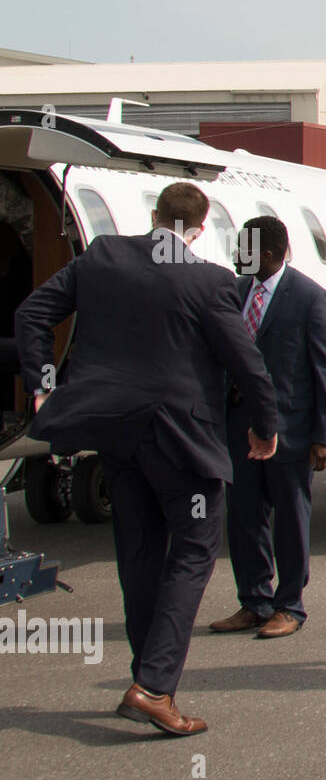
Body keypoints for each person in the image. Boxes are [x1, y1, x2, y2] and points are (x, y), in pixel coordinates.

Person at [15, 182, 278, 735]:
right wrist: (264, 429)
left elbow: (32, 314)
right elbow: (247, 364)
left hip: (115, 435)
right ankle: (154, 687)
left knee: (138, 556)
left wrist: (43, 385)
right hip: (180, 441)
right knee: (194, 549)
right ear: (201, 229)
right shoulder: (209, 281)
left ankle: (147, 680)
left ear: (154, 216)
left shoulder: (103, 257)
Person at [209, 217, 326, 639]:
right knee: (244, 516)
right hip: (239, 427)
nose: (236, 257)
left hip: (291, 431)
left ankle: (289, 605)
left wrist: (325, 435)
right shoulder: (236, 292)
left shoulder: (309, 298)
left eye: (243, 251)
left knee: (289, 518)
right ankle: (253, 601)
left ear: (268, 254)